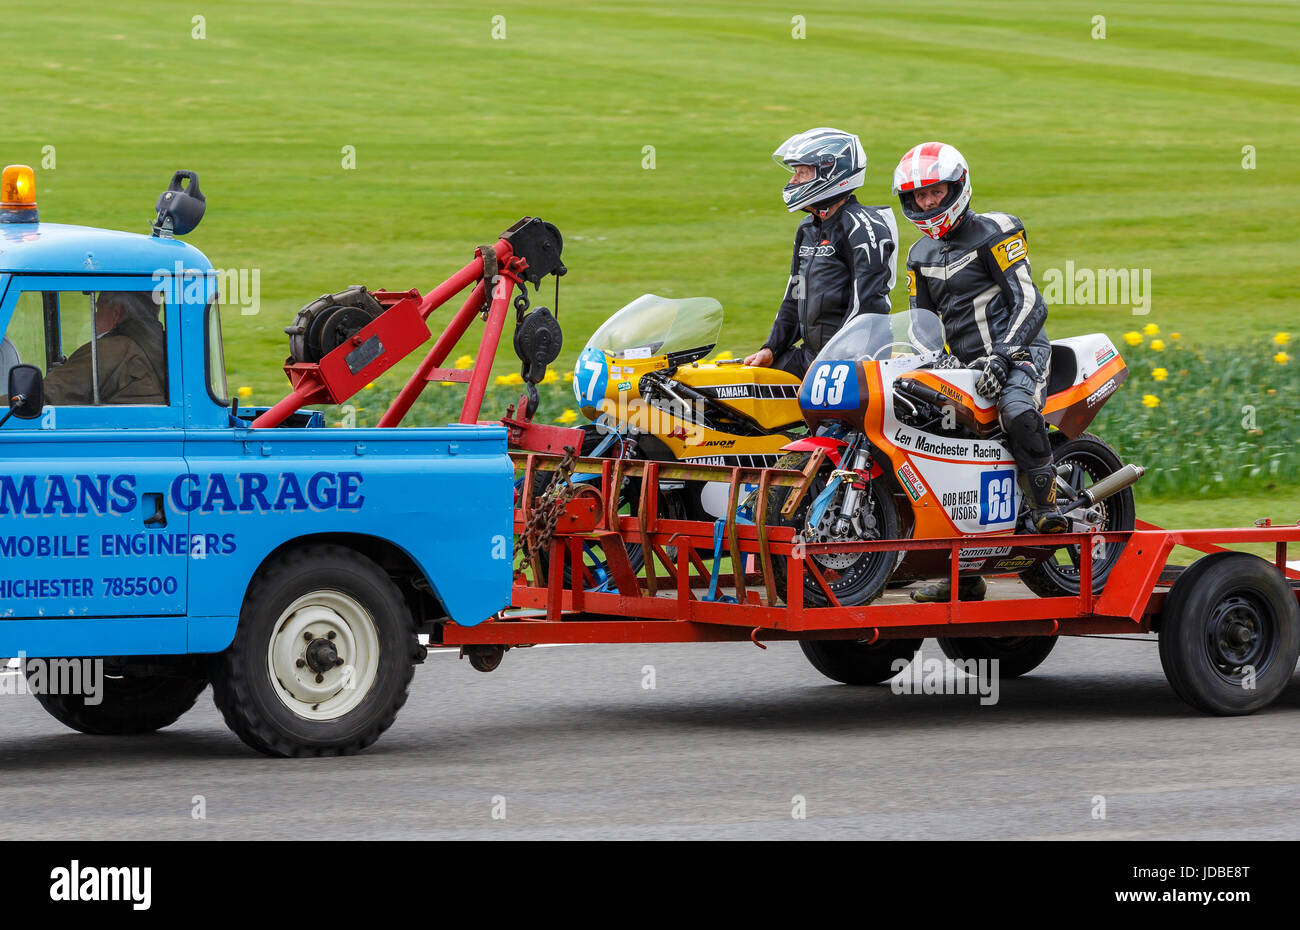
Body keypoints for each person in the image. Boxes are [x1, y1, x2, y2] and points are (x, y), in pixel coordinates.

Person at [892, 142, 1068, 604]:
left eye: (936, 192)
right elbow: (919, 325)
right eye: (919, 196)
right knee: (934, 443)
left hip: (1022, 351)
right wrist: (929, 361)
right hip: (965, 368)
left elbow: (1031, 301)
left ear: (958, 186)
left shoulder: (996, 230)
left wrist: (1005, 356)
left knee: (1014, 409)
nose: (928, 203)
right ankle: (963, 576)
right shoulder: (918, 253)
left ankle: (1047, 506)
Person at [744, 128, 897, 378]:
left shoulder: (862, 227)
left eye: (802, 173)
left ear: (832, 173)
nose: (793, 181)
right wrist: (771, 346)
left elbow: (867, 305)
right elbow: (796, 294)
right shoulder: (807, 227)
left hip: (854, 365)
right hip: (813, 358)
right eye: (795, 173)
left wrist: (831, 362)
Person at [42, 291, 168, 406]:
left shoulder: (105, 352)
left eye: (98, 309)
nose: (94, 317)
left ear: (116, 314)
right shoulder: (167, 347)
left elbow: (44, 395)